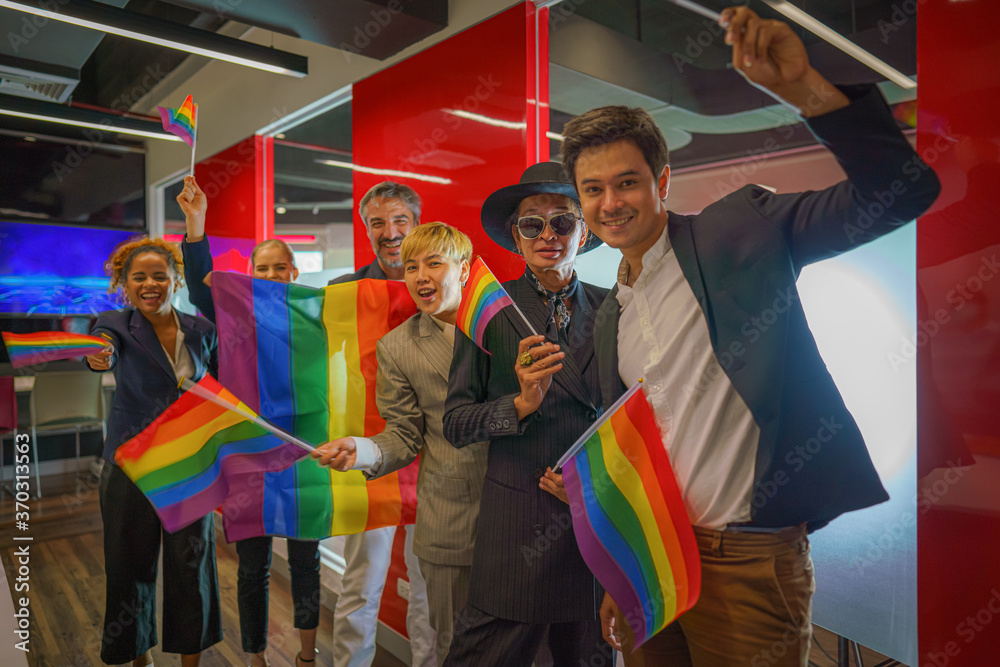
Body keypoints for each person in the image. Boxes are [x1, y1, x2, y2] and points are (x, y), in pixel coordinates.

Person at [558, 6, 942, 665]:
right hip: (655, 556)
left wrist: (807, 92)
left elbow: (900, 192)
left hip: (749, 561)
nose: (611, 203)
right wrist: (620, 572)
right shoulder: (610, 310)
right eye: (593, 189)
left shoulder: (738, 232)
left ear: (662, 181)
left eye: (627, 182)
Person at [441, 162, 613, 666]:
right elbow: (455, 424)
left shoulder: (614, 308)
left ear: (584, 231)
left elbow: (636, 412)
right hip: (517, 524)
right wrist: (519, 404)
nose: (547, 236)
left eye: (562, 222)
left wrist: (595, 483)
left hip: (591, 519)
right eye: (532, 224)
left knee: (587, 656)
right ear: (516, 237)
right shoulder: (487, 310)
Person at [311, 222, 490, 666]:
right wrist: (361, 450)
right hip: (449, 517)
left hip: (521, 513)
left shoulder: (501, 325)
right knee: (453, 644)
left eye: (434, 263)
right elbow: (405, 433)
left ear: (464, 269)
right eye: (411, 267)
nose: (421, 276)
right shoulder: (398, 346)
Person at [177, 176, 320, 667]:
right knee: (253, 566)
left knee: (305, 562)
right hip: (250, 457)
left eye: (281, 267)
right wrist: (196, 225)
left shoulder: (315, 313)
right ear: (250, 272)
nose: (272, 274)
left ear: (294, 271)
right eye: (263, 268)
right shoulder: (231, 313)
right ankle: (256, 657)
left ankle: (306, 656)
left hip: (303, 454)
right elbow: (201, 283)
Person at [86, 237, 221, 667]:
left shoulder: (202, 330)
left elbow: (223, 388)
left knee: (192, 568)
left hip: (189, 465)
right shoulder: (114, 323)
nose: (150, 284)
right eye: (139, 277)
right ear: (124, 284)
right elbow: (103, 347)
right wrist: (100, 355)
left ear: (175, 280)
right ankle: (139, 658)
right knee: (129, 567)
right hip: (131, 465)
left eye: (159, 276)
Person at [328, 181, 435, 667]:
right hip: (371, 453)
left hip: (435, 457)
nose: (389, 232)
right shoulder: (343, 292)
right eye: (377, 223)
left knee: (430, 587)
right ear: (366, 228)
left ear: (416, 224)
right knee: (361, 584)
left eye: (399, 221)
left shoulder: (441, 285)